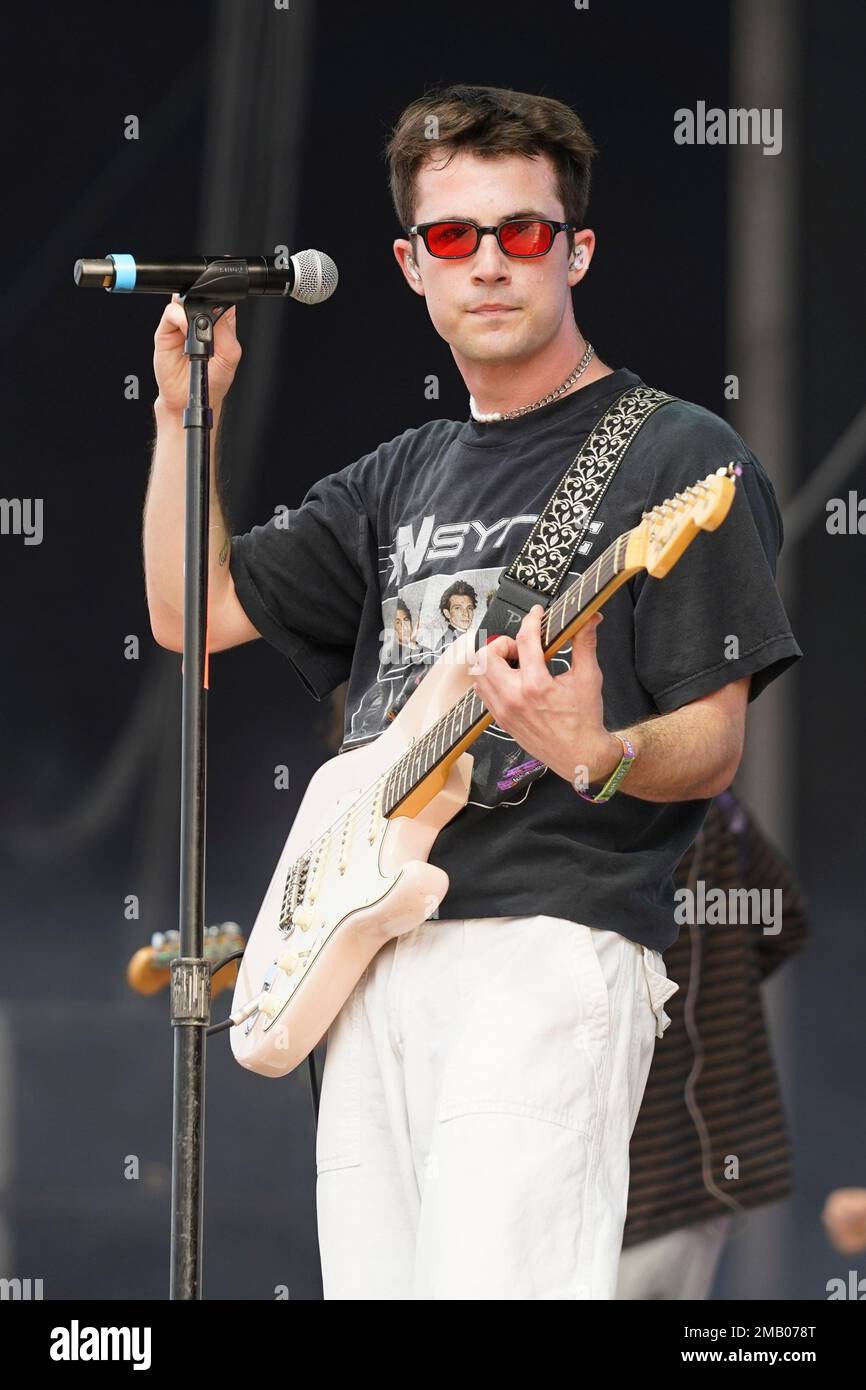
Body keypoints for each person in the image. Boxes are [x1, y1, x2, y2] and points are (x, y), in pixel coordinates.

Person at [143, 84, 803, 1300]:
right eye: (454, 236)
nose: (488, 262)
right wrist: (190, 413)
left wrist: (589, 746)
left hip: (541, 947)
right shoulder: (404, 469)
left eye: (522, 231)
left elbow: (711, 744)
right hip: (370, 952)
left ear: (575, 248)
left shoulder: (673, 456)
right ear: (409, 263)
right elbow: (192, 614)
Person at [615, 788, 808, 1300]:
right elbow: (783, 918)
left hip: (621, 1175)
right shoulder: (715, 798)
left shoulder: (560, 793)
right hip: (698, 1172)